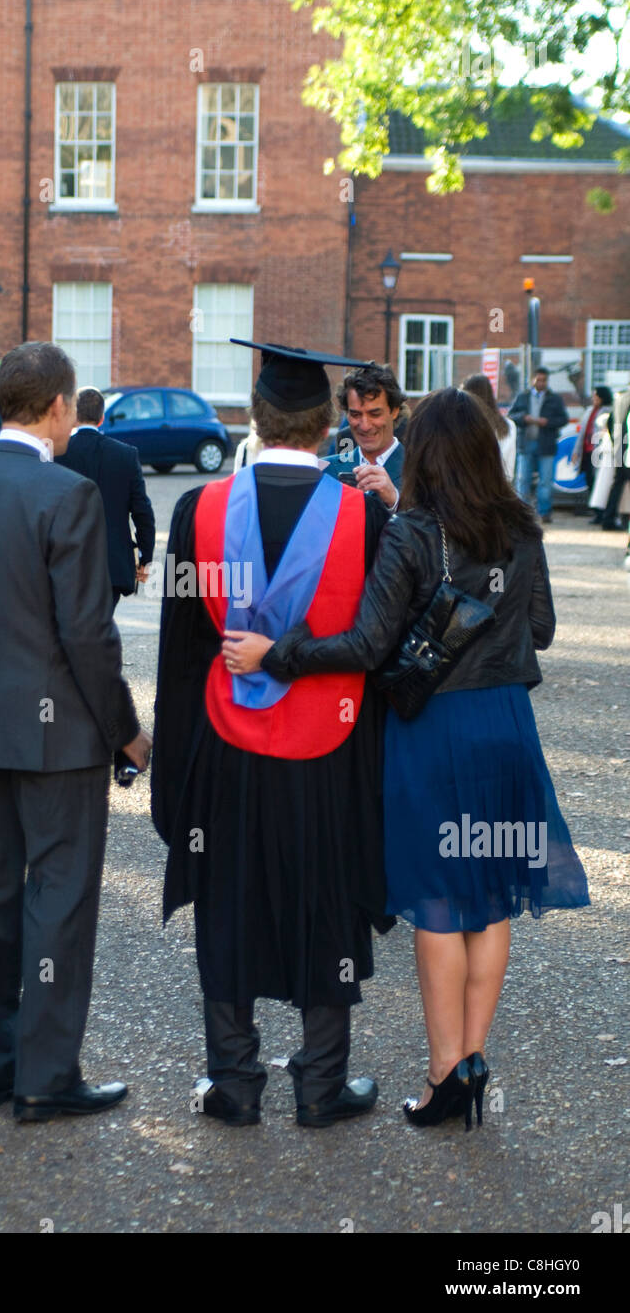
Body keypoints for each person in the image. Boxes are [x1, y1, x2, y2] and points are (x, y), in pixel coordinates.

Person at [223, 387, 589, 1129]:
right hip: (507, 728)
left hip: (432, 733)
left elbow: (364, 646)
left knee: (438, 902)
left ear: (420, 453)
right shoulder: (522, 526)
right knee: (491, 900)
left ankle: (442, 1073)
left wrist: (277, 654)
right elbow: (540, 630)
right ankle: (474, 1060)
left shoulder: (412, 531)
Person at [0, 341, 151, 1123]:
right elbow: (87, 635)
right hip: (58, 742)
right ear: (56, 408)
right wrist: (126, 733)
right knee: (58, 901)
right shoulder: (67, 493)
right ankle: (44, 1078)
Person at [152, 339, 393, 1130]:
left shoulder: (199, 510)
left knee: (226, 900)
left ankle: (234, 1080)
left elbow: (185, 653)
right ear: (329, 423)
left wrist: (174, 775)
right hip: (331, 746)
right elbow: (378, 646)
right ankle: (320, 1085)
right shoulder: (362, 516)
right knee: (325, 902)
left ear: (255, 417)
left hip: (226, 747)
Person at [55, 386, 156, 607]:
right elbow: (143, 512)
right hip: (113, 564)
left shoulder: (57, 454)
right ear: (102, 418)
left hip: (68, 562)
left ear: (73, 416)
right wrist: (145, 559)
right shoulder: (126, 455)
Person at [326, 363, 405, 511]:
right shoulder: (326, 471)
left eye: (374, 414)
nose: (365, 425)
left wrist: (395, 501)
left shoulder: (421, 470)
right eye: (355, 415)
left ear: (394, 411)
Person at [507, 367, 568, 523]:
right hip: (526, 444)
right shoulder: (523, 396)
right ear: (532, 379)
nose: (541, 382)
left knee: (545, 481)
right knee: (522, 480)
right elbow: (511, 415)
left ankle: (544, 512)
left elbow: (563, 419)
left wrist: (548, 422)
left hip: (546, 445)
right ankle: (522, 513)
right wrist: (524, 418)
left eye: (544, 380)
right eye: (538, 379)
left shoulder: (554, 399)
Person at [463, 372, 516, 480]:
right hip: (500, 487)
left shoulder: (463, 425)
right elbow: (509, 466)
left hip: (470, 488)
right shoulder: (509, 426)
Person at [572, 387, 612, 522]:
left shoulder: (608, 411)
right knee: (589, 480)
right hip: (587, 451)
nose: (594, 399)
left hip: (598, 451)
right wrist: (576, 451)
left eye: (596, 396)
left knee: (598, 481)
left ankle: (601, 512)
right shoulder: (589, 411)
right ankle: (596, 511)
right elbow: (582, 433)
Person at [600, 386, 630, 532]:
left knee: (618, 485)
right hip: (627, 449)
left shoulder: (620, 398)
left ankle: (609, 517)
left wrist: (616, 443)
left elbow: (611, 422)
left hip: (620, 447)